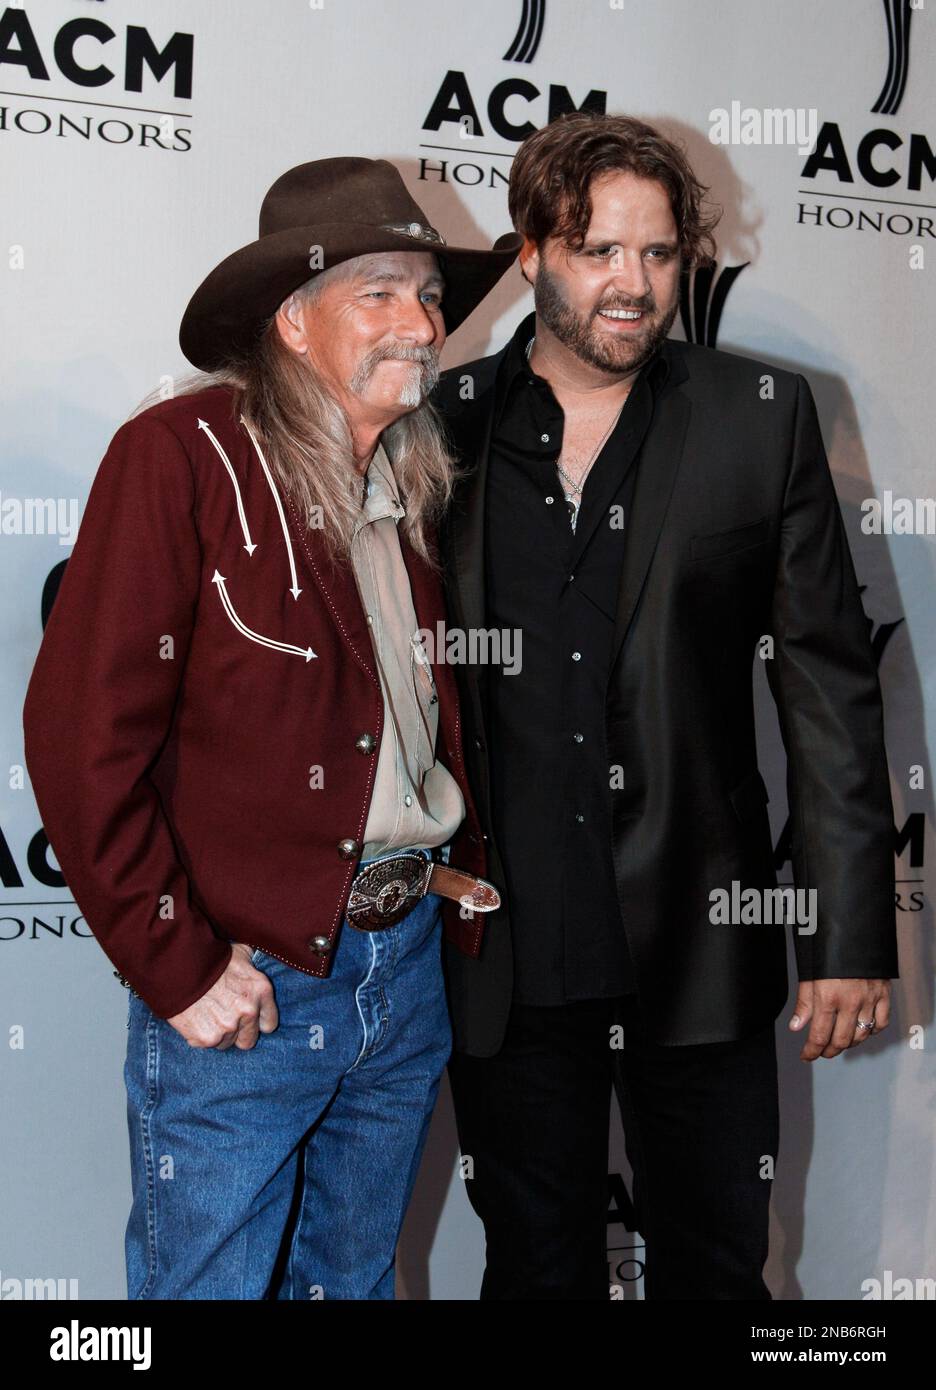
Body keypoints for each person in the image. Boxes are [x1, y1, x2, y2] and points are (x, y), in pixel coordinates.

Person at [22, 157, 516, 1300]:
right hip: (250, 982)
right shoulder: (183, 455)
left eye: (429, 294)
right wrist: (178, 960)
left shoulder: (411, 480)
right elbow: (77, 734)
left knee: (349, 1286)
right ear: (293, 322)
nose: (423, 321)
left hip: (404, 970)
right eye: (380, 292)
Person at [433, 113, 898, 1300]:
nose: (633, 285)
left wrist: (848, 934)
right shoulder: (448, 428)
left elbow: (831, 689)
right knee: (532, 1272)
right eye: (598, 251)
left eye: (657, 253)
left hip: (702, 941)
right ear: (533, 252)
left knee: (716, 1269)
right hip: (512, 947)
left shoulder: (760, 417)